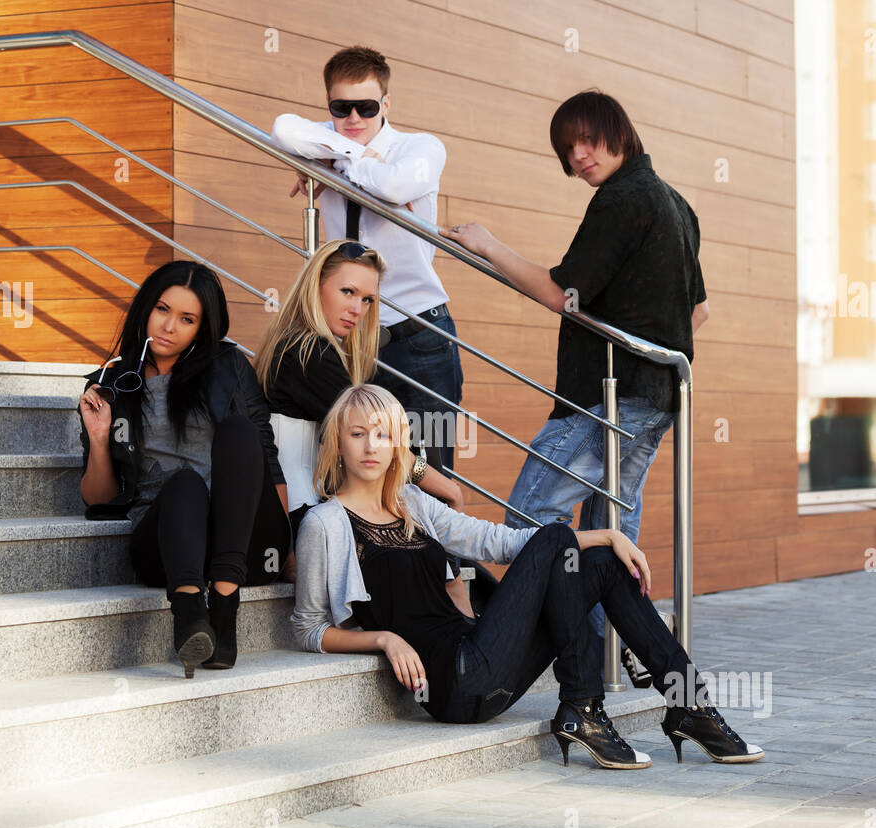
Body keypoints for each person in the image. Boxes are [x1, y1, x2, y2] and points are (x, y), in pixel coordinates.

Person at [292, 384, 762, 768]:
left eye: (382, 434)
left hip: (486, 659)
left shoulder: (413, 505)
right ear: (338, 441)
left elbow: (498, 542)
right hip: (453, 682)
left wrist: (605, 537)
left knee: (599, 564)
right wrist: (384, 640)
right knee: (556, 539)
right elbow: (309, 629)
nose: (371, 446)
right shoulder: (324, 524)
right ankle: (582, 707)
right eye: (358, 434)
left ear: (398, 442)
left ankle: (689, 705)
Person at [441, 90, 710, 684]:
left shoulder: (622, 200)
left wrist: (487, 244)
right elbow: (698, 315)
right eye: (568, 149)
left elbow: (561, 293)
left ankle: (587, 660)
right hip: (657, 397)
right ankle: (627, 649)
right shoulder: (676, 203)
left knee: (532, 522)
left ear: (620, 132)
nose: (580, 155)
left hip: (607, 397)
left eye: (589, 140)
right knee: (611, 531)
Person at [77, 260, 290, 677]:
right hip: (163, 544)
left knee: (241, 432)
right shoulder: (108, 385)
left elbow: (265, 457)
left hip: (235, 540)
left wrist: (287, 544)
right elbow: (98, 498)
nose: (169, 326)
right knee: (186, 485)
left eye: (187, 318)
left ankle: (224, 613)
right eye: (162, 310)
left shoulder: (228, 366)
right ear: (145, 309)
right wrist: (100, 439)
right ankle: (190, 613)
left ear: (202, 328)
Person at [270, 45, 464, 479]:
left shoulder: (421, 147)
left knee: (429, 473)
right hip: (355, 341)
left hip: (421, 336)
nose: (353, 119)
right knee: (362, 470)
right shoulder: (334, 139)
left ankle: (441, 551)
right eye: (341, 107)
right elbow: (282, 129)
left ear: (386, 104)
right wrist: (349, 154)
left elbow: (394, 187)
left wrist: (332, 158)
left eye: (366, 107)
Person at [254, 238, 470, 614]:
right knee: (416, 488)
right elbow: (385, 445)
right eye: (347, 291)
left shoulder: (303, 345)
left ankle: (461, 600)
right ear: (316, 284)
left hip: (305, 508)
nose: (357, 309)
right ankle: (461, 606)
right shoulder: (309, 353)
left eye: (368, 299)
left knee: (409, 459)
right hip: (296, 519)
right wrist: (446, 487)